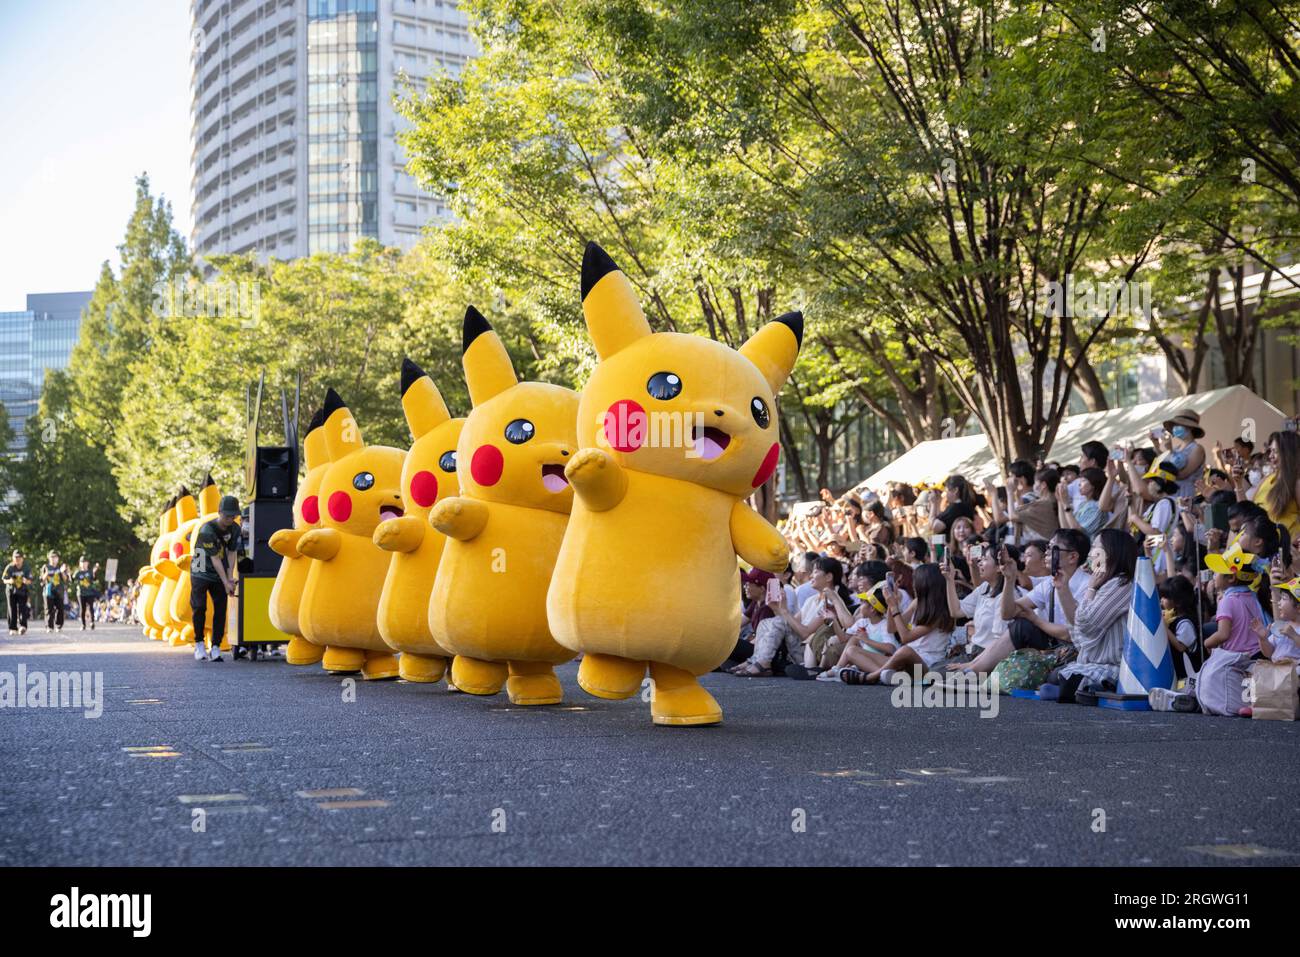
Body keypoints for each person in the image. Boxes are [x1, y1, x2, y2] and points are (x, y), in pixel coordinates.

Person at [1049, 529, 1137, 702]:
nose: (1090, 554)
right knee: (1054, 679)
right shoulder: (1108, 583)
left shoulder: (1121, 583)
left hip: (1112, 667)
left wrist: (1091, 589)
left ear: (1111, 553)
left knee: (1056, 682)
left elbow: (1086, 624)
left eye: (1096, 547)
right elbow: (1078, 628)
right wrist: (1063, 588)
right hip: (1091, 663)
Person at [730, 557, 854, 678]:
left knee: (777, 622)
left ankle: (762, 664)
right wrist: (776, 608)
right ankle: (756, 661)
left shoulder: (831, 602)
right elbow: (791, 624)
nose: (810, 576)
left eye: (815, 572)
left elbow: (805, 633)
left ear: (828, 577)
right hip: (798, 648)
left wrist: (784, 611)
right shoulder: (812, 600)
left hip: (811, 653)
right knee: (766, 622)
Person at [1193, 546, 1265, 716]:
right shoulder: (1253, 597)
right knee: (1250, 692)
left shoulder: (1228, 600)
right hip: (1257, 655)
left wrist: (1207, 642)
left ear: (1231, 578)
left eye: (1217, 572)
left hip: (1236, 657)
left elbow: (1223, 634)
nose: (1214, 576)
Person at [189, 495, 242, 662]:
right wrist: (225, 580)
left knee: (221, 608)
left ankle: (216, 647)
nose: (230, 519)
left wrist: (230, 578)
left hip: (218, 570)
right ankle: (199, 644)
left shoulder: (235, 529)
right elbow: (215, 559)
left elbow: (232, 553)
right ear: (219, 512)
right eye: (227, 515)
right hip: (201, 570)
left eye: (233, 516)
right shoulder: (207, 530)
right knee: (199, 607)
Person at [1158, 410, 1207, 499]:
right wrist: (1156, 444)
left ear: (1190, 427)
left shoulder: (1197, 449)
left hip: (1186, 494)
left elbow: (1183, 474)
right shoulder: (1176, 448)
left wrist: (1170, 450)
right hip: (1172, 493)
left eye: (1179, 425)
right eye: (1174, 426)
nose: (1175, 428)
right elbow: (1162, 464)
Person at [4, 550, 32, 635]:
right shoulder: (9, 567)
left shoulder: (26, 567)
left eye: (19, 557)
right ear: (13, 558)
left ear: (22, 558)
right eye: (16, 557)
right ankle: (13, 628)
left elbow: (30, 581)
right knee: (12, 608)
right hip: (11, 590)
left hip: (22, 590)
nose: (17, 559)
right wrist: (10, 581)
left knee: (22, 608)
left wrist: (26, 581)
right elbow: (4, 580)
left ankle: (23, 626)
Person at [40, 551, 69, 632]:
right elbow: (42, 580)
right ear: (49, 558)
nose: (53, 559)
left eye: (55, 557)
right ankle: (49, 627)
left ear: (58, 559)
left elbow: (65, 579)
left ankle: (59, 626)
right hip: (48, 591)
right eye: (52, 557)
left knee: (60, 609)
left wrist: (62, 571)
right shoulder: (45, 566)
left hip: (59, 591)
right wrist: (46, 573)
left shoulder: (60, 567)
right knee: (49, 610)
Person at [72, 557, 101, 631]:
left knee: (91, 607)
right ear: (80, 564)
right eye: (82, 562)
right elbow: (72, 580)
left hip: (90, 592)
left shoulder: (90, 572)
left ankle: (92, 622)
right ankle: (83, 624)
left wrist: (94, 572)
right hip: (81, 593)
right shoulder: (78, 572)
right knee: (82, 608)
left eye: (85, 562)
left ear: (87, 563)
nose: (84, 564)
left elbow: (94, 579)